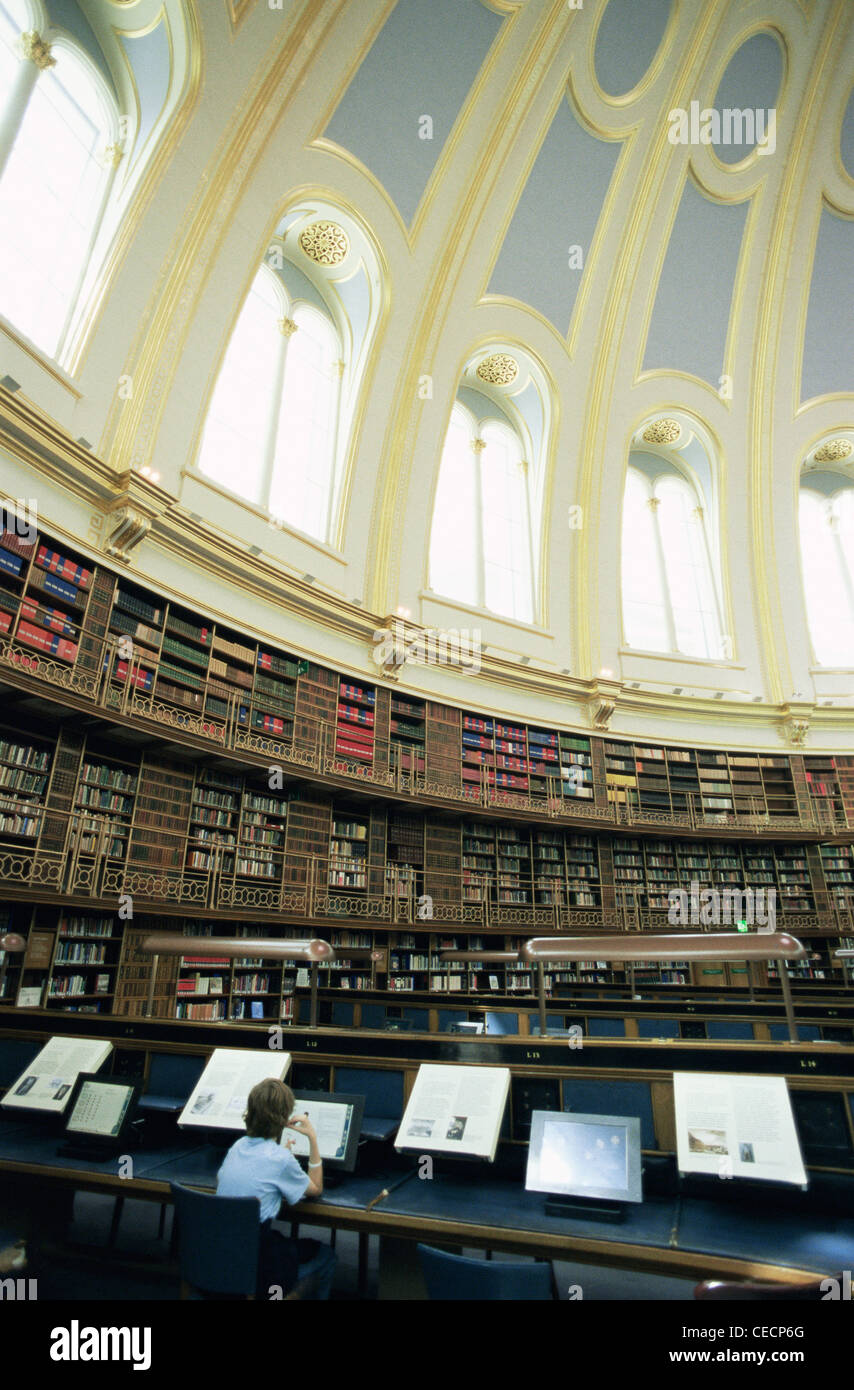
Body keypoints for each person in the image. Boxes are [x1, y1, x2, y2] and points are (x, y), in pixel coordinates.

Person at [216, 1078, 336, 1299]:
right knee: (326, 1256)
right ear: (284, 1117)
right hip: (260, 1266)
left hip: (221, 1259)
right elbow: (316, 1188)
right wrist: (312, 1138)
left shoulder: (237, 1146)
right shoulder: (280, 1159)